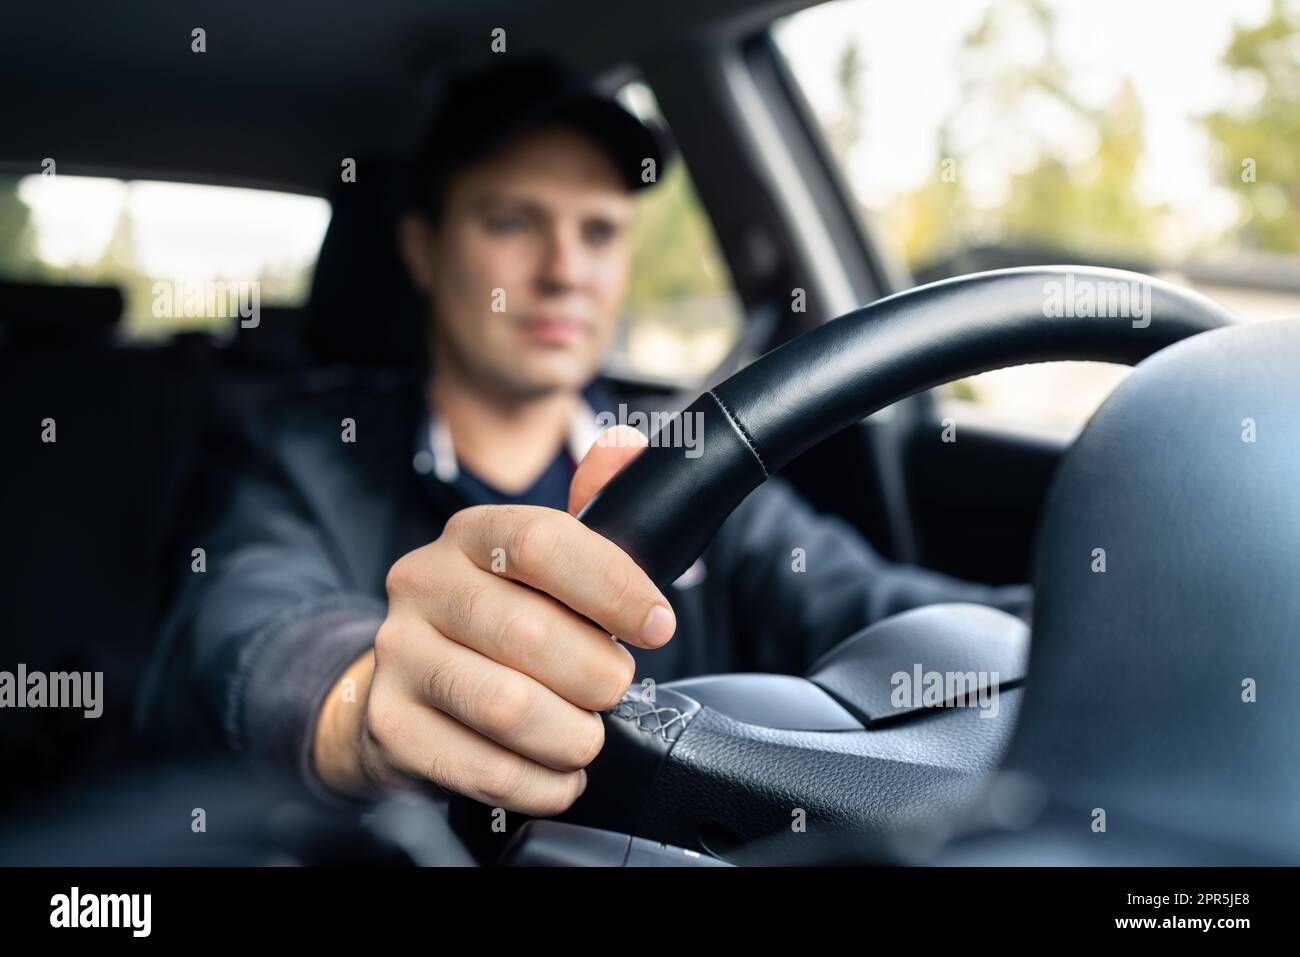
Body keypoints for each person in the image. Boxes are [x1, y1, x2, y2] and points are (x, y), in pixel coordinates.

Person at [137, 59, 1030, 818]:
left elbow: (878, 607)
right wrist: (365, 702)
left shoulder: (691, 462)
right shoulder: (293, 447)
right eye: (512, 221)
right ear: (423, 249)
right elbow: (243, 633)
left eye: (599, 231)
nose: (564, 271)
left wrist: (1086, 625)